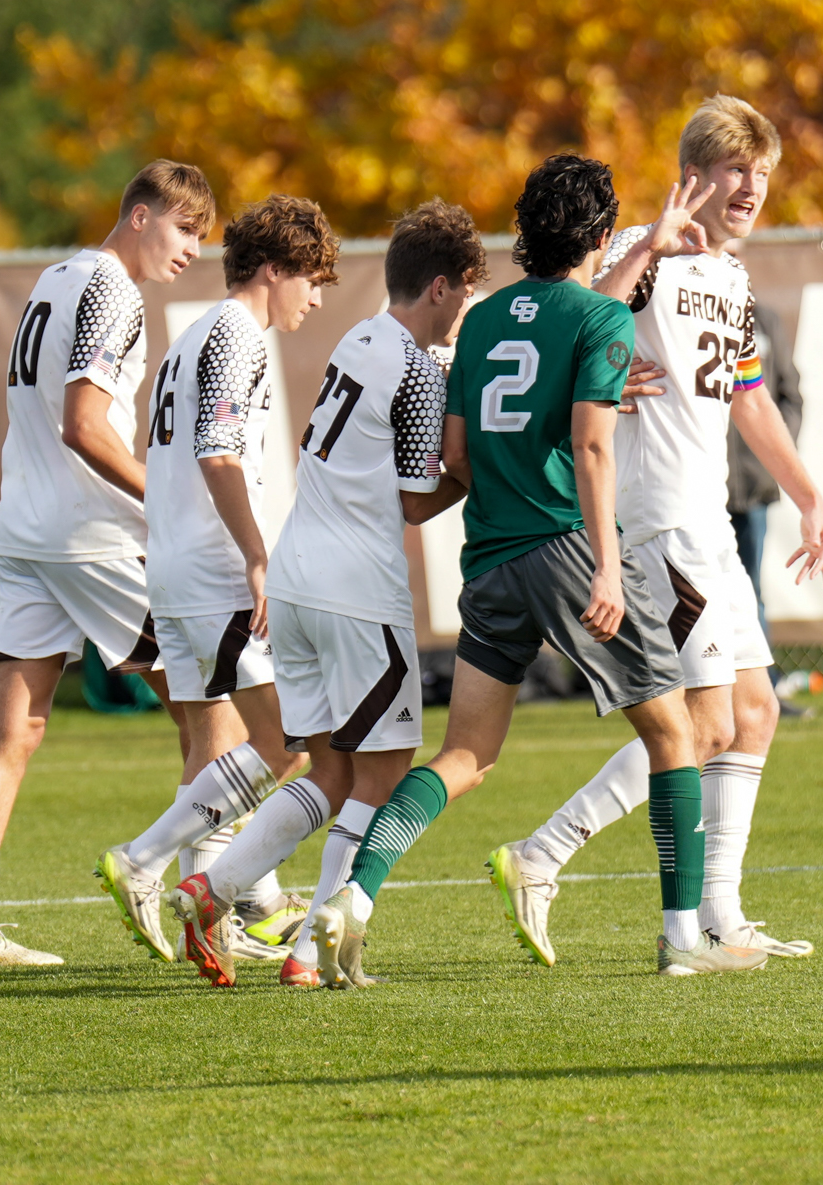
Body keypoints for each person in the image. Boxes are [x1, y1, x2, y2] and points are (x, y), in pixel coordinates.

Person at [307, 154, 769, 987]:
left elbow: (455, 453)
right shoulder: (601, 322)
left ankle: (354, 897)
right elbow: (593, 447)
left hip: (487, 556)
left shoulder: (480, 321)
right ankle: (680, 937)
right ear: (599, 235)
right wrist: (601, 566)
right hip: (563, 544)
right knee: (678, 737)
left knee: (465, 758)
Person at [484, 96, 823, 970]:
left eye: (762, 173)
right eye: (735, 170)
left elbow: (747, 397)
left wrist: (805, 493)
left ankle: (722, 914)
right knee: (704, 726)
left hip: (708, 517)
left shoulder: (733, 278)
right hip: (655, 522)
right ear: (696, 173)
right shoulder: (652, 246)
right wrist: (623, 295)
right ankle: (543, 854)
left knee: (754, 714)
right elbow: (576, 314)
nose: (751, 188)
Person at [167, 202, 486, 987]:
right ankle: (310, 950)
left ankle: (214, 887)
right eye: (470, 292)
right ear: (442, 288)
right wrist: (480, 469)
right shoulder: (413, 366)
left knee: (329, 770)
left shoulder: (356, 341)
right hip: (355, 587)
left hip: (300, 576)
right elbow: (415, 497)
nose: (470, 309)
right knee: (387, 766)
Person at [0, 160, 209, 968]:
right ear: (138, 215)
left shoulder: (57, 275)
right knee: (210, 704)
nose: (193, 248)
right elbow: (84, 424)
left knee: (12, 728)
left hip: (23, 529)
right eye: (184, 227)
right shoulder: (113, 290)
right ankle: (220, 902)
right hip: (87, 536)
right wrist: (166, 499)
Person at [94, 194, 338, 970]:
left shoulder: (198, 331)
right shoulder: (237, 336)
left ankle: (212, 902)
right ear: (274, 269)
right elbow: (220, 454)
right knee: (293, 745)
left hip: (172, 564)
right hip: (214, 569)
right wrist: (259, 557)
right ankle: (144, 859)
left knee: (215, 749)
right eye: (312, 279)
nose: (318, 297)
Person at [725, 294, 811, 715]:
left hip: (752, 488)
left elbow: (787, 396)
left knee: (749, 593)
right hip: (695, 488)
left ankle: (761, 695)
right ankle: (691, 696)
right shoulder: (677, 307)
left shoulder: (764, 318)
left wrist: (773, 454)